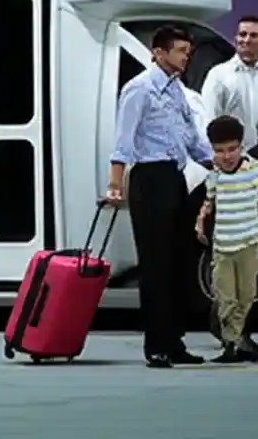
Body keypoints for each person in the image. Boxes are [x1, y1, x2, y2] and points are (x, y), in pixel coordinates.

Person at [104, 24, 214, 368]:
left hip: (174, 178)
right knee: (155, 265)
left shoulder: (177, 90)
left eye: (187, 52)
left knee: (178, 262)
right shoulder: (139, 89)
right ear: (159, 52)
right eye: (180, 51)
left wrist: (223, 164)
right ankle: (156, 344)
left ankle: (175, 341)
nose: (186, 57)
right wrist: (114, 186)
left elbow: (191, 139)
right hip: (149, 179)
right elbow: (123, 142)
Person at [195, 115, 258, 363]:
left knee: (246, 295)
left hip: (247, 244)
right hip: (222, 246)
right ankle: (231, 342)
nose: (227, 156)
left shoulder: (255, 171)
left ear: (241, 147)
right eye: (220, 151)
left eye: (232, 149)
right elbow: (209, 201)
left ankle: (237, 338)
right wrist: (201, 221)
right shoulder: (214, 176)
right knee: (225, 297)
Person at [199, 15, 258, 171]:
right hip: (226, 160)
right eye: (242, 34)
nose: (247, 40)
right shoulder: (218, 75)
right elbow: (209, 120)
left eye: (253, 35)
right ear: (236, 39)